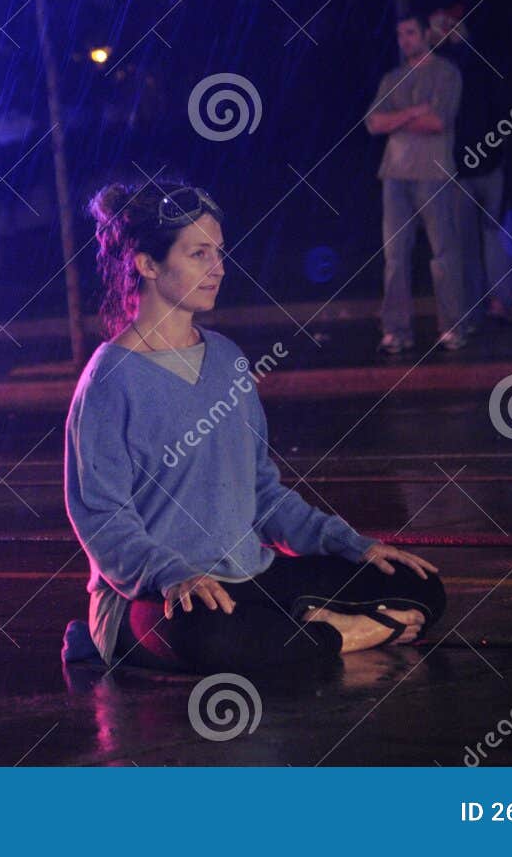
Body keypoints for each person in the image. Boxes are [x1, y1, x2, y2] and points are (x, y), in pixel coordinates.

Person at [62, 179, 446, 675]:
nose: (218, 269)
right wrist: (172, 574)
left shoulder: (227, 359)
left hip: (248, 575)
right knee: (220, 642)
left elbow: (263, 493)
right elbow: (103, 518)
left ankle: (314, 630)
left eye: (218, 253)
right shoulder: (109, 380)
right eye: (199, 254)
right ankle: (344, 632)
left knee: (419, 586)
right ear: (148, 264)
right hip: (159, 596)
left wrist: (354, 544)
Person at [365, 12, 467, 354]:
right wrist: (411, 114)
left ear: (426, 34)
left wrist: (399, 120)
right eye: (400, 34)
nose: (405, 39)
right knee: (395, 256)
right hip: (394, 175)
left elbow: (438, 121)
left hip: (434, 173)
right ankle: (396, 330)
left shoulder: (445, 73)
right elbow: (374, 123)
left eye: (411, 32)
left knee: (443, 253)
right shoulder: (393, 77)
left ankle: (452, 327)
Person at [437, 6, 512, 331]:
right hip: (461, 166)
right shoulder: (444, 64)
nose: (449, 32)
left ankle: (498, 302)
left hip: (486, 161)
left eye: (453, 26)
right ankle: (476, 305)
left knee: (492, 236)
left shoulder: (478, 61)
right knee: (468, 240)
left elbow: (501, 101)